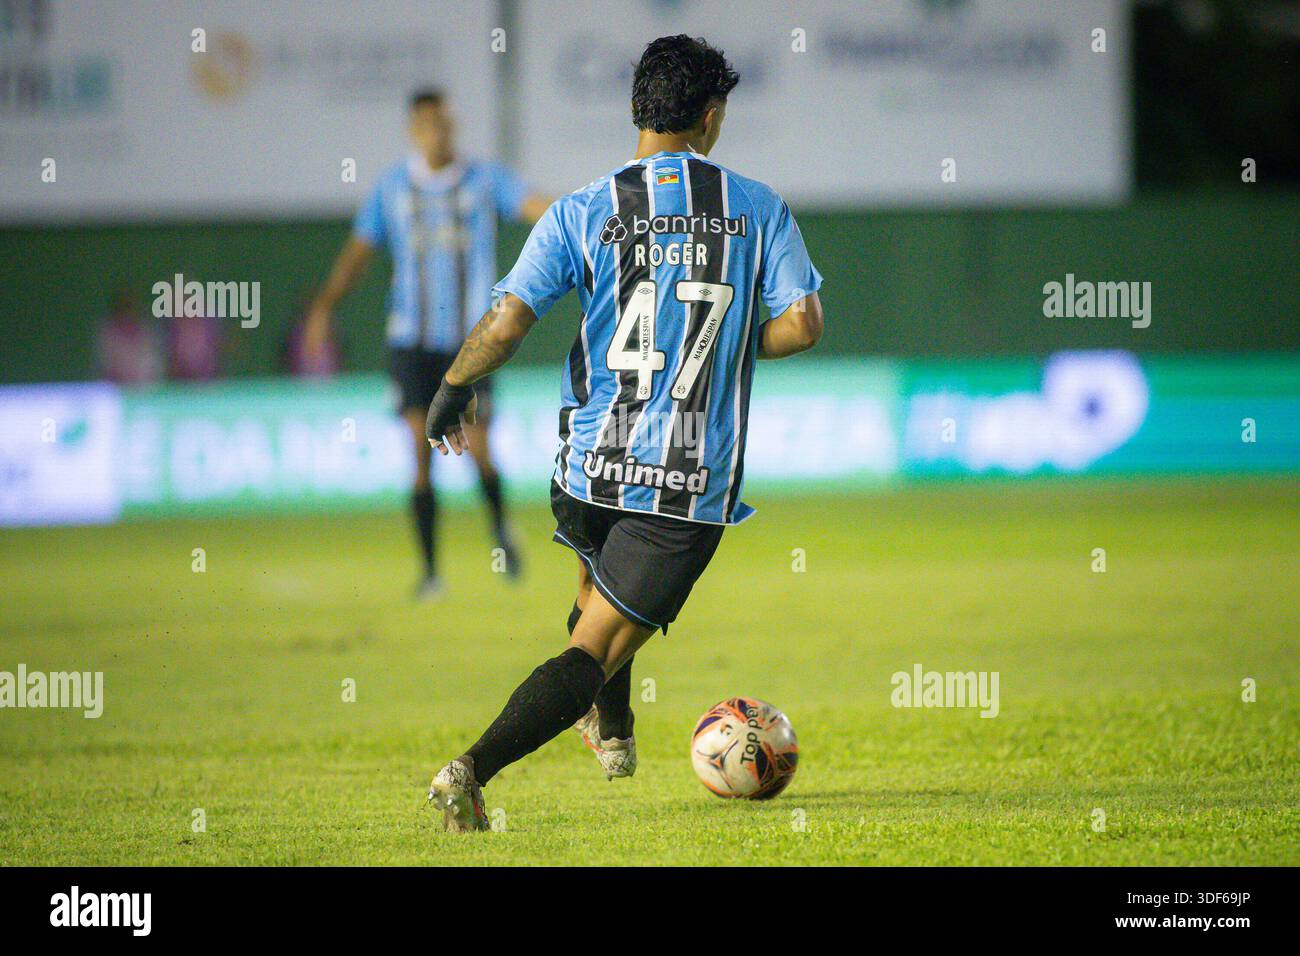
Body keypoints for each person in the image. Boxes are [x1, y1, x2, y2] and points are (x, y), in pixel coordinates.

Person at [423, 35, 824, 831]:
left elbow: (505, 324)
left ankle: (615, 727)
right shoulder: (756, 206)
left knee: (591, 590)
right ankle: (470, 770)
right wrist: (726, 335)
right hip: (681, 482)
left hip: (585, 467)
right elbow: (802, 325)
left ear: (637, 110)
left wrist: (453, 386)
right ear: (710, 118)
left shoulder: (583, 209)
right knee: (597, 648)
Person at [304, 89, 551, 598]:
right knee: (419, 450)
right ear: (413, 129)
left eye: (443, 122)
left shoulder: (484, 180)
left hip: (470, 341)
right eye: (426, 123)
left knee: (479, 450)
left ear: (452, 126)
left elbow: (534, 205)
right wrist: (325, 306)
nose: (436, 131)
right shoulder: (392, 188)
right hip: (412, 342)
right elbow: (358, 253)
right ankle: (432, 572)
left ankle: (501, 531)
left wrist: (584, 215)